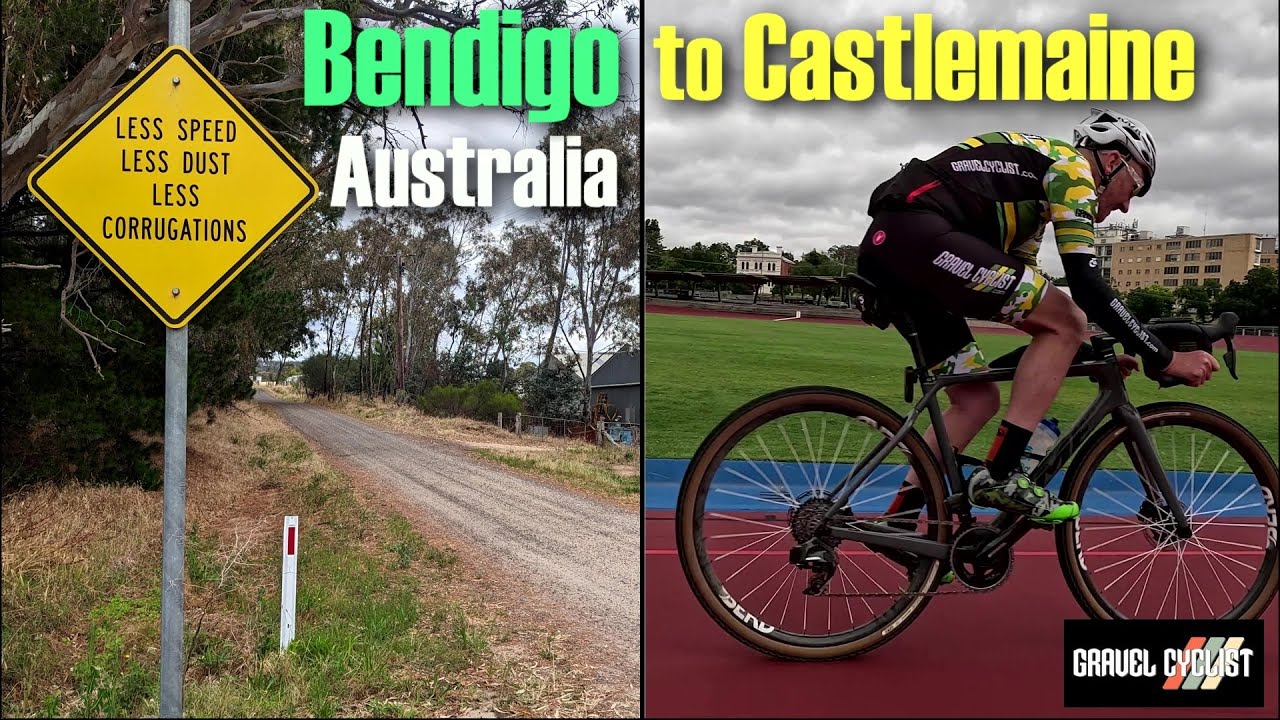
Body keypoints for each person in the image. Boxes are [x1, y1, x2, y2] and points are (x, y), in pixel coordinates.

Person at [856, 108, 1220, 525]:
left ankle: (900, 520)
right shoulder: (1073, 169)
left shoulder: (1029, 211)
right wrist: (1165, 357)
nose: (1125, 205)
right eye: (1135, 185)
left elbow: (1035, 318)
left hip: (897, 248)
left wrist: (1080, 356)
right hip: (920, 235)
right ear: (1113, 159)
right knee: (1070, 317)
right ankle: (1002, 474)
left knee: (976, 399)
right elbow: (1084, 284)